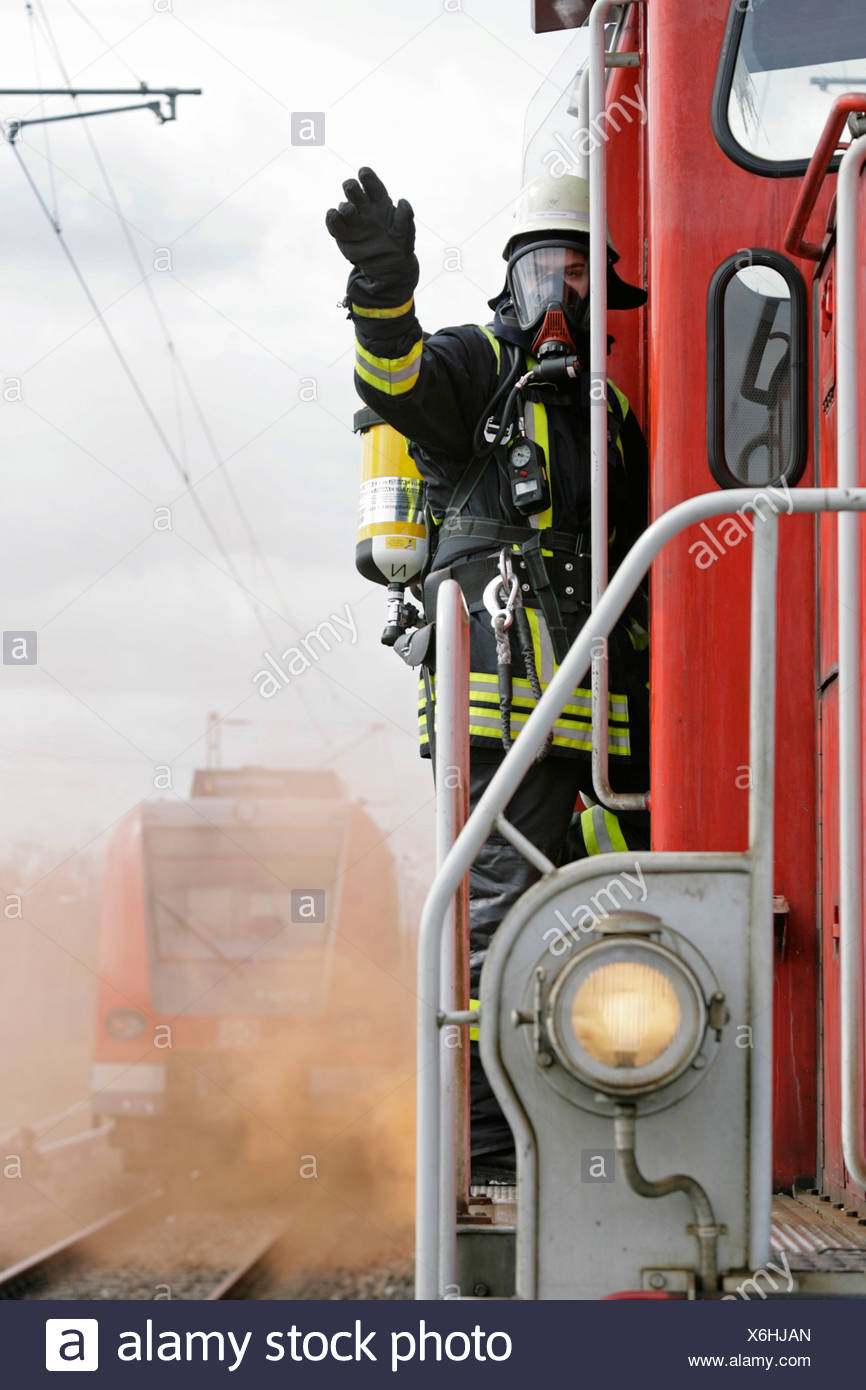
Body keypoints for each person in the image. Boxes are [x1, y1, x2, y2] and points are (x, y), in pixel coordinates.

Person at [326, 167, 649, 1183]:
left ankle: (609, 1118)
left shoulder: (614, 410)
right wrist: (383, 291)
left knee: (624, 903)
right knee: (499, 916)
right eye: (546, 268)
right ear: (512, 281)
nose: (562, 292)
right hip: (495, 707)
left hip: (601, 720)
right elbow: (394, 381)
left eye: (579, 274)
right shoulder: (475, 366)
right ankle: (490, 1149)